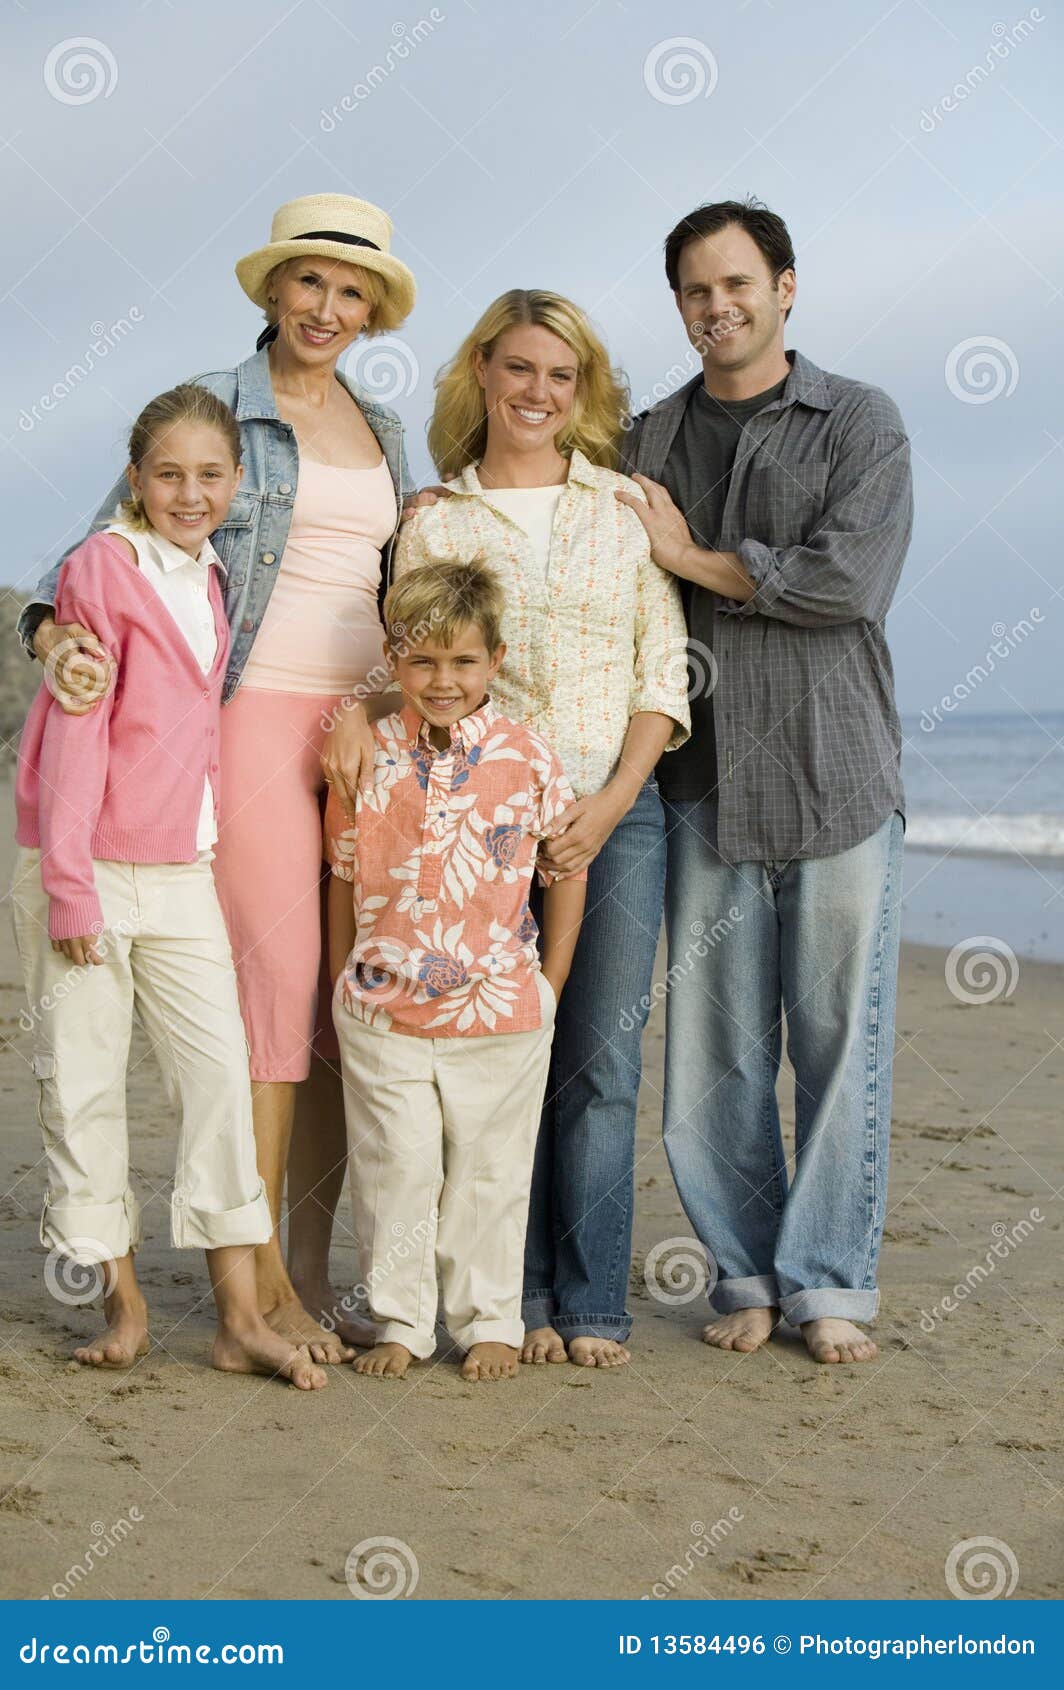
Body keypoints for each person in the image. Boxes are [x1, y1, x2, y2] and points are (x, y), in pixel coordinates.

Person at [16, 194, 417, 1363]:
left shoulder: (386, 428)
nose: (326, 309)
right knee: (274, 994)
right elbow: (81, 570)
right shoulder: (212, 414)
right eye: (308, 284)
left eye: (350, 292)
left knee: (340, 1003)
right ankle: (264, 1289)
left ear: (372, 309)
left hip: (357, 730)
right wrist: (55, 645)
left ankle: (306, 1262)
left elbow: (400, 589)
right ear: (270, 290)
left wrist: (378, 708)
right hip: (241, 722)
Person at [616, 197, 911, 1365]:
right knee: (713, 1053)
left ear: (784, 286)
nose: (715, 306)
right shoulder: (648, 439)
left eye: (736, 283)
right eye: (694, 290)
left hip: (836, 775)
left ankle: (827, 1281)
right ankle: (741, 1271)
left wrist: (690, 558)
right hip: (703, 785)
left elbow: (846, 583)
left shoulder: (859, 422)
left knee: (842, 1039)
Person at [11, 385, 327, 1391]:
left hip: (180, 869)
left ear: (237, 484)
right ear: (136, 481)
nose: (189, 492)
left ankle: (237, 1315)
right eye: (167, 474)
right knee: (86, 1080)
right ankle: (123, 1299)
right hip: (87, 867)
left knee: (218, 1084)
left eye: (208, 475)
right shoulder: (103, 568)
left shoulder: (215, 578)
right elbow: (73, 734)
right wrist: (69, 888)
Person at [396, 290, 691, 1367]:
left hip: (618, 813)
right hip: (478, 820)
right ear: (483, 370)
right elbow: (417, 667)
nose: (537, 392)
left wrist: (609, 801)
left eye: (560, 376)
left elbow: (662, 668)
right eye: (518, 368)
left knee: (599, 1062)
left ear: (583, 391)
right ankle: (503, 1298)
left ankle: (591, 1304)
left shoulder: (623, 508)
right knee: (495, 1062)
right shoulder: (435, 519)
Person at [325, 560, 586, 1381]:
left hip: (500, 1012)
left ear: (496, 662)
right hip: (380, 1012)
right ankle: (400, 1319)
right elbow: (342, 875)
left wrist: (551, 987)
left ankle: (489, 1321)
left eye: (463, 662)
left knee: (490, 1173)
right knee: (394, 1167)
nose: (443, 680)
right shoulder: (364, 756)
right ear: (393, 658)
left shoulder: (529, 756)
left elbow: (565, 869)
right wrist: (342, 982)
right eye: (424, 661)